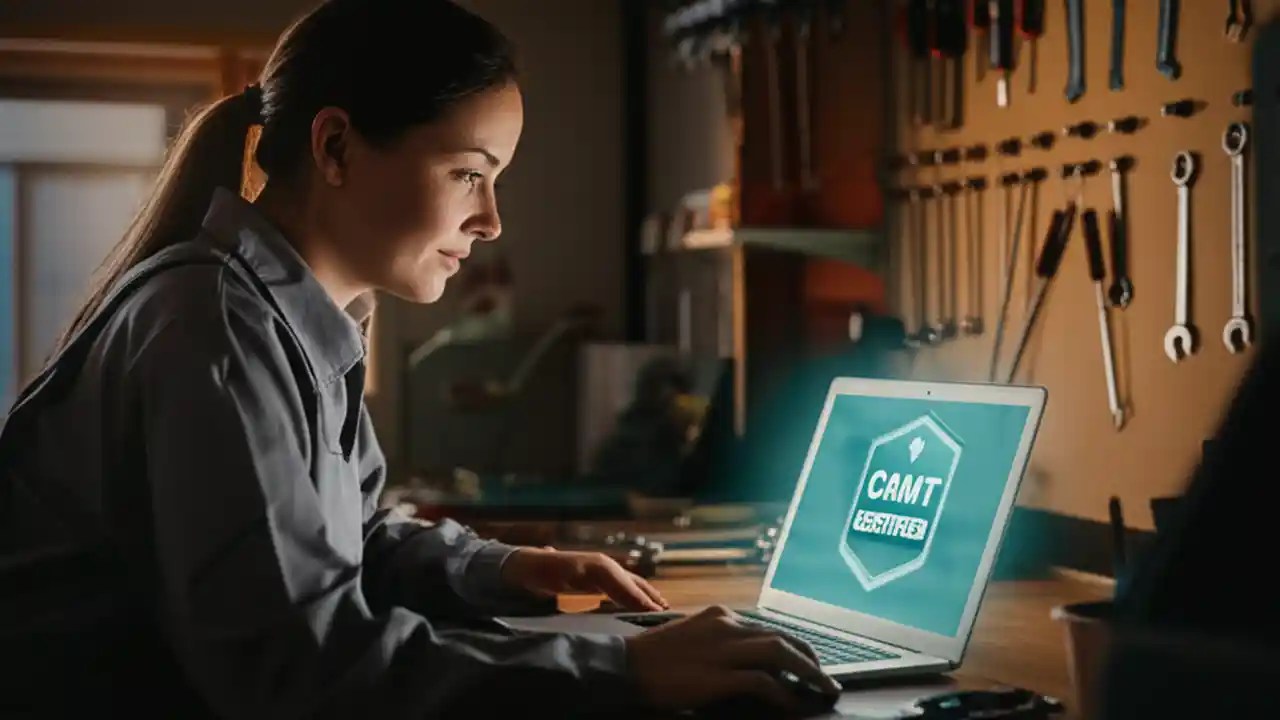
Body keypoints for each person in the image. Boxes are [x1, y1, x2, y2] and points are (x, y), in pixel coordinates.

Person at [0, 0, 841, 717]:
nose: (492, 221)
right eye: (469, 173)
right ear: (334, 149)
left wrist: (508, 569)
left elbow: (349, 542)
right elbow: (300, 670)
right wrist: (623, 670)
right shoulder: (217, 329)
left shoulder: (293, 319)